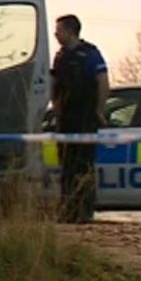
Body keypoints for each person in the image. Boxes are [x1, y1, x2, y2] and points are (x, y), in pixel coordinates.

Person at [51, 14, 109, 223]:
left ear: (69, 30)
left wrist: (99, 111)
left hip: (84, 119)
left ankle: (83, 211)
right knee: (66, 167)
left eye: (59, 30)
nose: (56, 34)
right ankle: (67, 211)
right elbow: (55, 85)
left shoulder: (90, 54)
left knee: (82, 167)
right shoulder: (60, 56)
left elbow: (103, 82)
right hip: (65, 120)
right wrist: (55, 109)